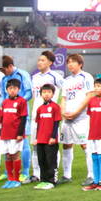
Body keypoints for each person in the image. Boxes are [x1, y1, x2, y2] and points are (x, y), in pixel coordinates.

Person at [28, 51, 64, 183]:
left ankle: (53, 171)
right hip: (36, 115)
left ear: (50, 62)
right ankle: (37, 173)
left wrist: (60, 105)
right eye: (39, 60)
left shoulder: (55, 76)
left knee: (52, 144)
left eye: (42, 60)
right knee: (36, 145)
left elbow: (65, 89)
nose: (39, 62)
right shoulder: (35, 77)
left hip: (50, 116)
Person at [59, 54, 93, 184]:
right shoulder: (66, 80)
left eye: (73, 62)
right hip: (67, 118)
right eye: (68, 62)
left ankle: (91, 174)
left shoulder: (86, 77)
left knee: (85, 145)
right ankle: (67, 175)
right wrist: (63, 112)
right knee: (66, 145)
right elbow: (64, 98)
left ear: (80, 64)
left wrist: (77, 112)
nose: (70, 64)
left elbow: (89, 96)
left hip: (82, 117)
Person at [0, 55, 33, 183]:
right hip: (8, 116)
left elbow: (29, 93)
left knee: (23, 143)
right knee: (7, 144)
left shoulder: (22, 74)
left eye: (4, 69)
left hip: (21, 115)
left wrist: (18, 103)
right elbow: (3, 95)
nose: (3, 72)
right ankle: (8, 172)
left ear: (9, 66)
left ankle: (24, 172)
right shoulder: (4, 79)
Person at [0, 77, 28, 190]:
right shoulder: (5, 102)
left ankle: (16, 179)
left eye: (14, 88)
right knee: (7, 156)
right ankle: (10, 178)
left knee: (15, 155)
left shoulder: (21, 101)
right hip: (5, 134)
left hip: (16, 134)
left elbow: (23, 118)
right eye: (10, 88)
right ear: (7, 90)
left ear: (19, 89)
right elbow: (2, 119)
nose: (12, 90)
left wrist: (20, 133)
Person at [32, 84, 62, 190]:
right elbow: (39, 124)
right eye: (44, 92)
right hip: (41, 139)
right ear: (41, 94)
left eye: (49, 92)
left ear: (53, 94)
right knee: (42, 160)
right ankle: (43, 180)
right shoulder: (40, 108)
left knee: (51, 160)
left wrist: (53, 137)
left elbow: (56, 123)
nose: (46, 94)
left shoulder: (55, 107)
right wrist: (36, 138)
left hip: (50, 140)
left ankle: (52, 180)